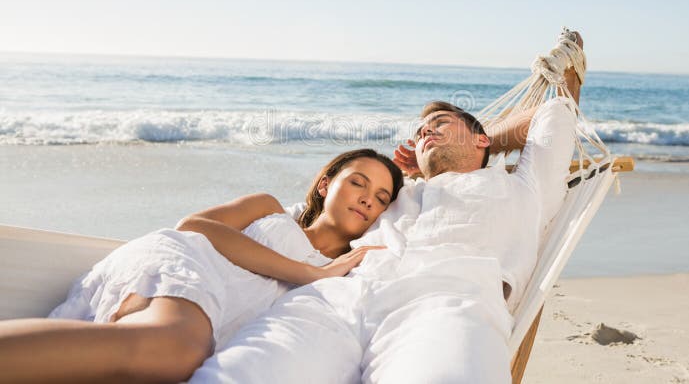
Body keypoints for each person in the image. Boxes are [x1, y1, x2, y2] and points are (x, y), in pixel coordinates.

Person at [188, 34, 584, 384]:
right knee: (244, 371)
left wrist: (479, 142)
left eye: (440, 123)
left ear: (483, 139)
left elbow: (555, 113)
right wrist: (429, 164)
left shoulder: (524, 186)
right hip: (338, 300)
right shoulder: (398, 194)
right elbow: (322, 216)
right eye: (421, 131)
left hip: (444, 303)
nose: (425, 131)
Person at [0, 148, 403, 383]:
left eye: (383, 197)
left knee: (163, 356)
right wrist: (309, 273)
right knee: (176, 347)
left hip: (211, 316)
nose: (369, 198)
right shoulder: (269, 209)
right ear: (325, 184)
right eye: (358, 182)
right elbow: (195, 226)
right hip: (186, 265)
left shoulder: (351, 268)